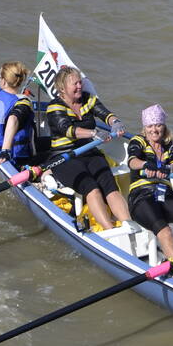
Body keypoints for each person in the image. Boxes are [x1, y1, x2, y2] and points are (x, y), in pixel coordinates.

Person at [44, 65, 130, 230]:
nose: (79, 86)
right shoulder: (54, 107)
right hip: (64, 157)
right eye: (74, 84)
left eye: (80, 82)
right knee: (92, 188)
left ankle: (130, 226)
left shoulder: (88, 99)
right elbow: (68, 130)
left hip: (90, 152)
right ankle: (109, 230)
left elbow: (105, 114)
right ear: (62, 88)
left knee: (109, 186)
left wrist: (115, 122)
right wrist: (93, 133)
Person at [125, 105, 173, 261]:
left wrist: (168, 168)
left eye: (158, 125)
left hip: (165, 194)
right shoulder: (138, 141)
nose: (154, 129)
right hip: (141, 197)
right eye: (150, 126)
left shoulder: (172, 147)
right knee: (165, 232)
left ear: (164, 126)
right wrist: (145, 165)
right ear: (145, 128)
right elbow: (132, 161)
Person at [0, 61, 33, 167]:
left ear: (4, 81)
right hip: (16, 157)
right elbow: (13, 119)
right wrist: (5, 151)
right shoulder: (22, 103)